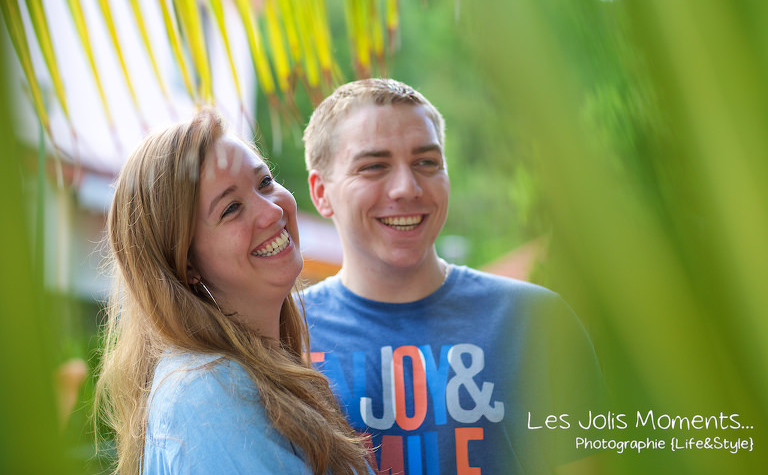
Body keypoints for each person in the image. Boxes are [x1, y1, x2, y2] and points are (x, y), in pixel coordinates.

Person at [302, 79, 605, 474]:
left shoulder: (538, 321)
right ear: (321, 192)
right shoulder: (284, 334)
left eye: (426, 163)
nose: (406, 187)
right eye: (374, 166)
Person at [95, 109, 373, 475]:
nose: (272, 212)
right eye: (231, 208)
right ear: (185, 264)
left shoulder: (242, 374)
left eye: (264, 183)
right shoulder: (207, 393)